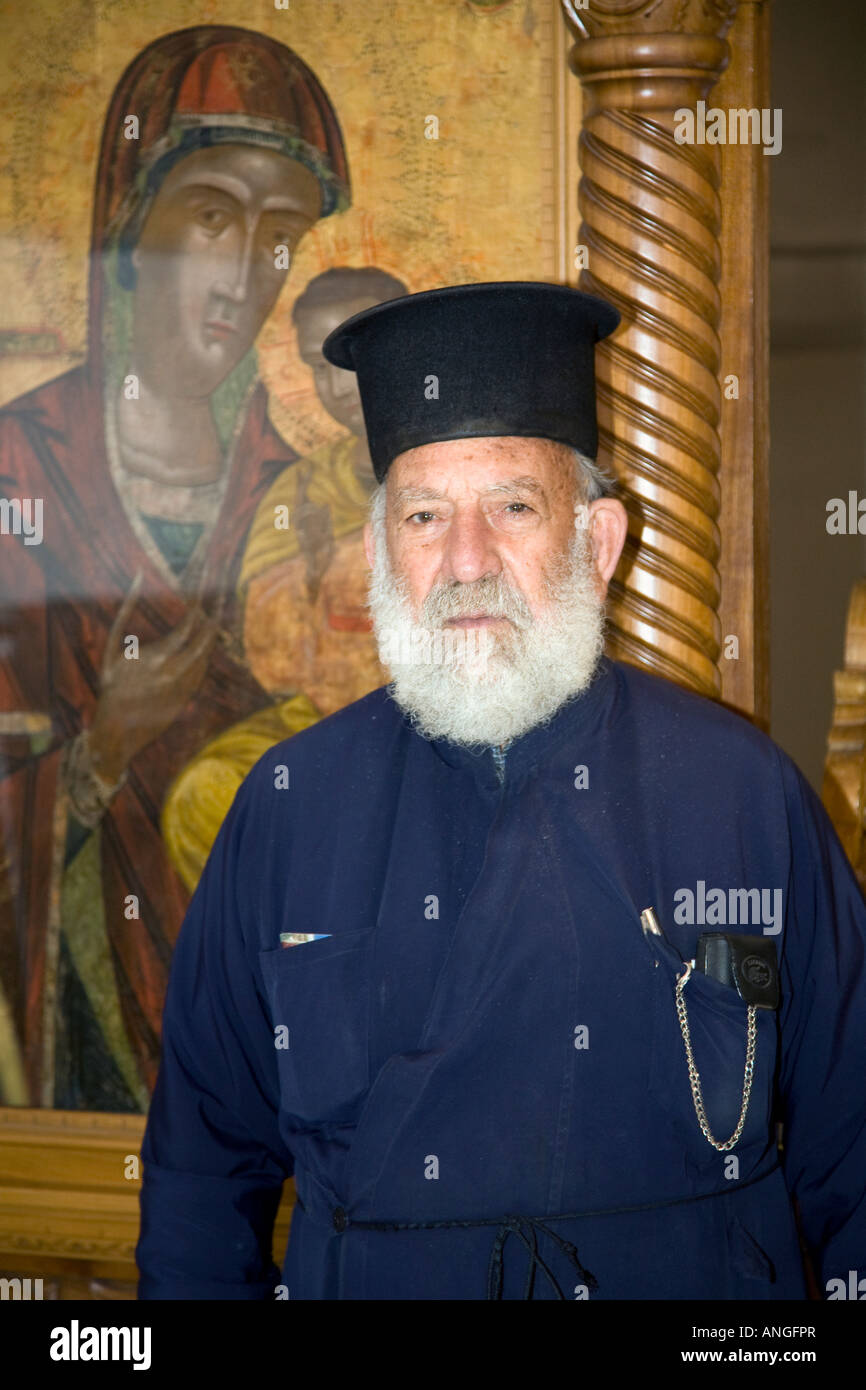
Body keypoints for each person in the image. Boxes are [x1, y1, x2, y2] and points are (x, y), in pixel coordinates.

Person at [137, 282, 866, 1300]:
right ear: (378, 552)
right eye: (425, 515)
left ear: (596, 543)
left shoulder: (739, 791)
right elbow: (201, 1176)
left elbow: (853, 1152)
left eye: (513, 507)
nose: (465, 561)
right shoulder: (288, 804)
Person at [0, 26, 350, 1110]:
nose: (247, 270)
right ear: (127, 220)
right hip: (86, 1049)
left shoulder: (307, 499)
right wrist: (102, 749)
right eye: (210, 214)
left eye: (282, 232)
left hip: (276, 1013)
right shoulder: (21, 471)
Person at [162, 267, 407, 894]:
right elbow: (270, 656)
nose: (335, 385)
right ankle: (292, 969)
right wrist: (315, 569)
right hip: (324, 720)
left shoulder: (469, 471)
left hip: (445, 717)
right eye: (317, 364)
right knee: (205, 790)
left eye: (352, 356)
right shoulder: (296, 492)